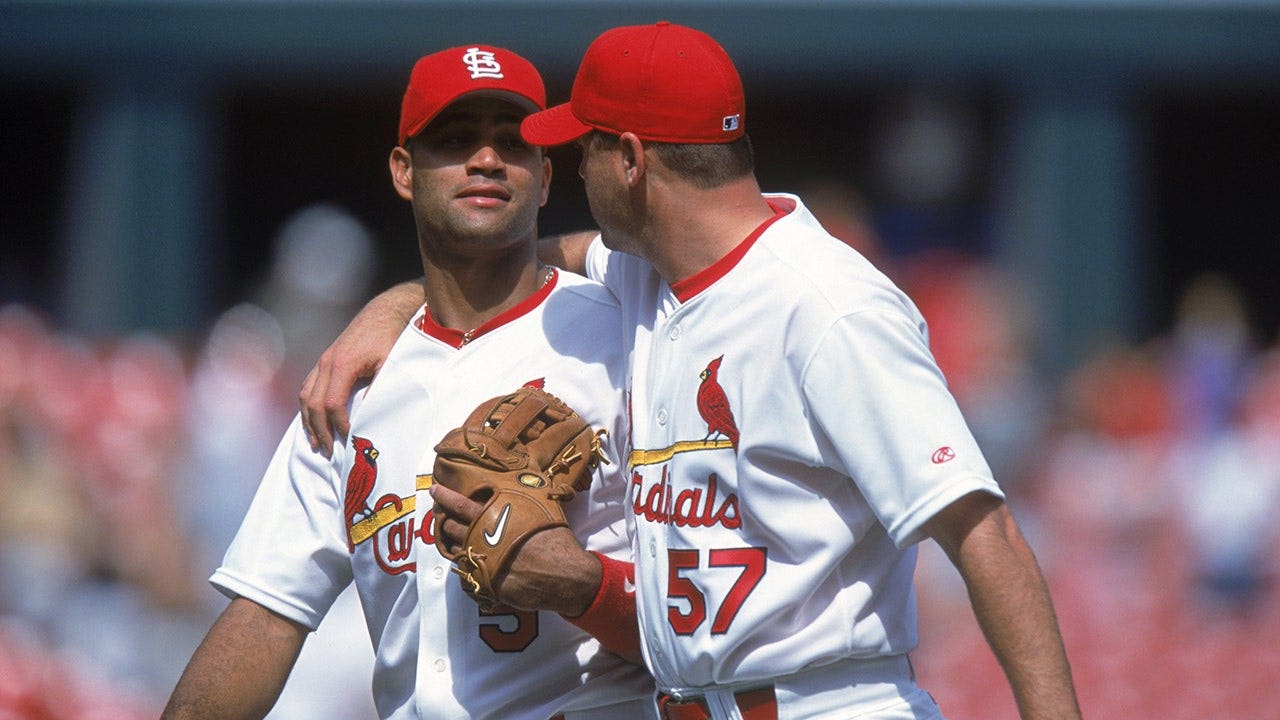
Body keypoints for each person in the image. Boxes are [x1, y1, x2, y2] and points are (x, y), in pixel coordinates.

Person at [301, 23, 1082, 720]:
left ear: (630, 161)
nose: (576, 172)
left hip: (829, 701)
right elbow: (507, 260)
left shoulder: (827, 307)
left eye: (585, 149)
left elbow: (986, 534)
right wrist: (393, 306)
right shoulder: (646, 274)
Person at [163, 44, 656, 720]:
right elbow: (265, 613)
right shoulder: (352, 384)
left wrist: (585, 586)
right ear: (404, 171)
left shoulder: (628, 333)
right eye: (456, 140)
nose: (487, 159)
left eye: (513, 142)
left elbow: (722, 615)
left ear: (544, 178)